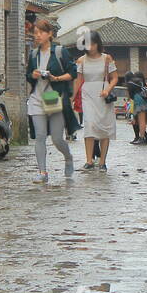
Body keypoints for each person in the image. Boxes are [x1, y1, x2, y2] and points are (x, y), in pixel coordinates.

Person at [24, 17, 77, 184]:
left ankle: (68, 157)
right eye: (35, 33)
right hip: (37, 97)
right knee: (39, 136)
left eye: (41, 32)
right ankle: (43, 172)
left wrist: (56, 78)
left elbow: (73, 73)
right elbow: (28, 75)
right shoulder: (33, 54)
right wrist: (32, 75)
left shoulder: (60, 51)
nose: (37, 36)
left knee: (56, 138)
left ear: (50, 34)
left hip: (53, 97)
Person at [75, 32, 118, 170]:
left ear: (98, 43)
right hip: (87, 94)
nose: (90, 47)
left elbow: (115, 78)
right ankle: (89, 160)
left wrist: (108, 89)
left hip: (103, 94)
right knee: (90, 124)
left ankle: (102, 161)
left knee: (104, 127)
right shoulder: (81, 60)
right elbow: (78, 80)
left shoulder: (107, 58)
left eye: (92, 44)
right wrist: (71, 96)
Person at [127, 70, 147, 144]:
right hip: (144, 102)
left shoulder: (132, 83)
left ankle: (141, 138)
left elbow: (131, 96)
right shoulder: (143, 83)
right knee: (140, 121)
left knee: (140, 121)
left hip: (138, 102)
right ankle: (144, 138)